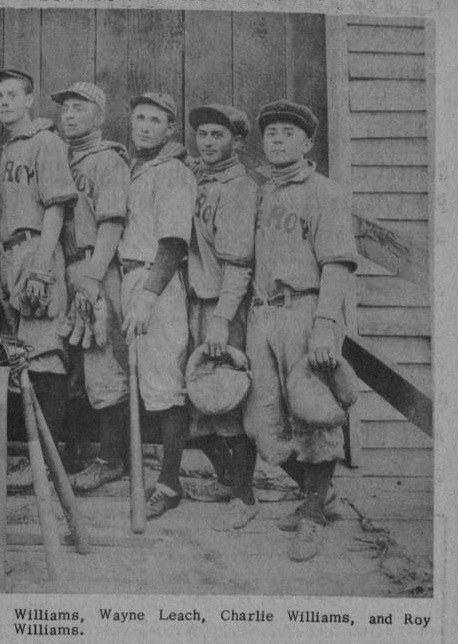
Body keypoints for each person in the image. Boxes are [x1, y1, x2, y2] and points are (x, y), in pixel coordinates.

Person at [244, 99, 357, 562]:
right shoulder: (262, 190)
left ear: (307, 143)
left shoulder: (324, 191)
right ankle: (322, 495)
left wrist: (326, 326)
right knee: (262, 425)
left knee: (313, 414)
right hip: (262, 313)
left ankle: (311, 515)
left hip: (306, 309)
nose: (276, 139)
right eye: (270, 133)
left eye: (288, 133)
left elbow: (337, 262)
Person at [0, 69, 78, 487]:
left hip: (37, 247)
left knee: (44, 355)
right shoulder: (4, 149)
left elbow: (56, 207)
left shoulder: (46, 141)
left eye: (12, 94)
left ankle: (48, 462)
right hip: (8, 253)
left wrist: (40, 269)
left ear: (30, 99)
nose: (4, 102)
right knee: (20, 354)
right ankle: (36, 458)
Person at [49, 82, 130, 491]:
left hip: (94, 264)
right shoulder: (61, 155)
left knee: (102, 365)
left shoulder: (106, 159)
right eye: (65, 108)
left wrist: (94, 277)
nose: (69, 115)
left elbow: (112, 221)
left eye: (78, 108)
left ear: (98, 116)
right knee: (71, 367)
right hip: (65, 269)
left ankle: (110, 459)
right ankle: (76, 451)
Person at [119, 92, 196, 519]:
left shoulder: (173, 172)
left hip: (158, 282)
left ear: (170, 130)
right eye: (140, 118)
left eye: (156, 121)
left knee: (165, 384)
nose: (146, 126)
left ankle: (168, 483)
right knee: (141, 381)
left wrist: (148, 297)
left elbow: (172, 243)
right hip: (131, 275)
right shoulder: (136, 168)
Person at [184, 104, 259, 530]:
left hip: (223, 304)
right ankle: (226, 480)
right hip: (195, 300)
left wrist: (222, 320)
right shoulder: (199, 177)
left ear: (237, 141)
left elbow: (239, 264)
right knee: (198, 397)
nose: (208, 142)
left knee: (228, 398)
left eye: (218, 135)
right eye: (204, 134)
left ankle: (244, 495)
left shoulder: (238, 188)